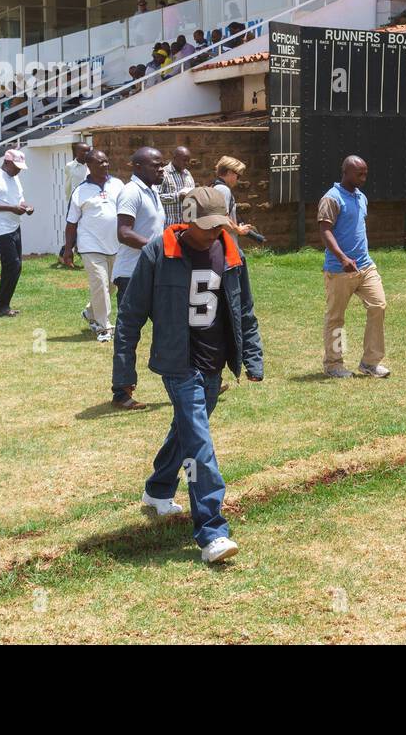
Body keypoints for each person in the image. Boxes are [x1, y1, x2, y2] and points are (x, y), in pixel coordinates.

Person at [113, 186, 264, 565]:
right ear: (187, 218)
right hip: (178, 363)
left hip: (214, 362)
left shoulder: (232, 253)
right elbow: (130, 316)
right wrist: (123, 373)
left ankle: (159, 488)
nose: (214, 233)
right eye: (207, 226)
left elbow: (243, 309)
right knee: (199, 442)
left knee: (186, 429)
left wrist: (252, 357)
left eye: (220, 226)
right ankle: (212, 531)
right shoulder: (158, 253)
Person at [318, 155, 389, 378]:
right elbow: (325, 231)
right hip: (339, 270)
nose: (364, 177)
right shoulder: (331, 198)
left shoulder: (361, 197)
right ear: (346, 172)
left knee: (378, 306)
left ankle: (370, 362)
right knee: (336, 318)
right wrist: (342, 258)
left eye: (365, 173)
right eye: (360, 173)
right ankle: (334, 365)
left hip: (365, 267)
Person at [110, 148, 166, 406]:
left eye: (162, 165)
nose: (161, 169)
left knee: (174, 327)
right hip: (131, 276)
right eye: (156, 165)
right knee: (128, 334)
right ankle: (122, 392)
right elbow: (124, 233)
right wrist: (158, 248)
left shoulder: (152, 191)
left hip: (154, 272)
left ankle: (194, 378)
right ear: (139, 166)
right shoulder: (131, 192)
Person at [63, 150, 124, 342]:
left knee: (113, 285)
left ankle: (90, 312)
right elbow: (71, 224)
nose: (105, 165)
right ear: (89, 165)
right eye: (100, 162)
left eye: (106, 161)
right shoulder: (80, 191)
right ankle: (104, 326)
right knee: (99, 284)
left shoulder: (118, 185)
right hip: (90, 246)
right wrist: (68, 250)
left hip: (116, 245)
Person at [0, 149, 33, 317]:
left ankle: (3, 304)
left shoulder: (15, 178)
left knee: (16, 267)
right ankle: (0, 304)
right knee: (13, 264)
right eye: (16, 166)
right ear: (7, 162)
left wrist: (25, 206)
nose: (18, 170)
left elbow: (19, 199)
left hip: (14, 225)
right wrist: (12, 208)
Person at [213, 156, 253, 236]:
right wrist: (239, 230)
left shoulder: (214, 186)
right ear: (229, 172)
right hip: (226, 243)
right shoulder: (224, 190)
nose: (238, 180)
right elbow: (223, 219)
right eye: (238, 176)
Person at [159, 146, 196, 227]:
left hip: (186, 227)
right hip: (169, 226)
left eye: (188, 160)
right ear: (174, 158)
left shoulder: (188, 174)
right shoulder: (163, 173)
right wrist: (178, 197)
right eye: (184, 160)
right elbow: (156, 198)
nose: (186, 163)